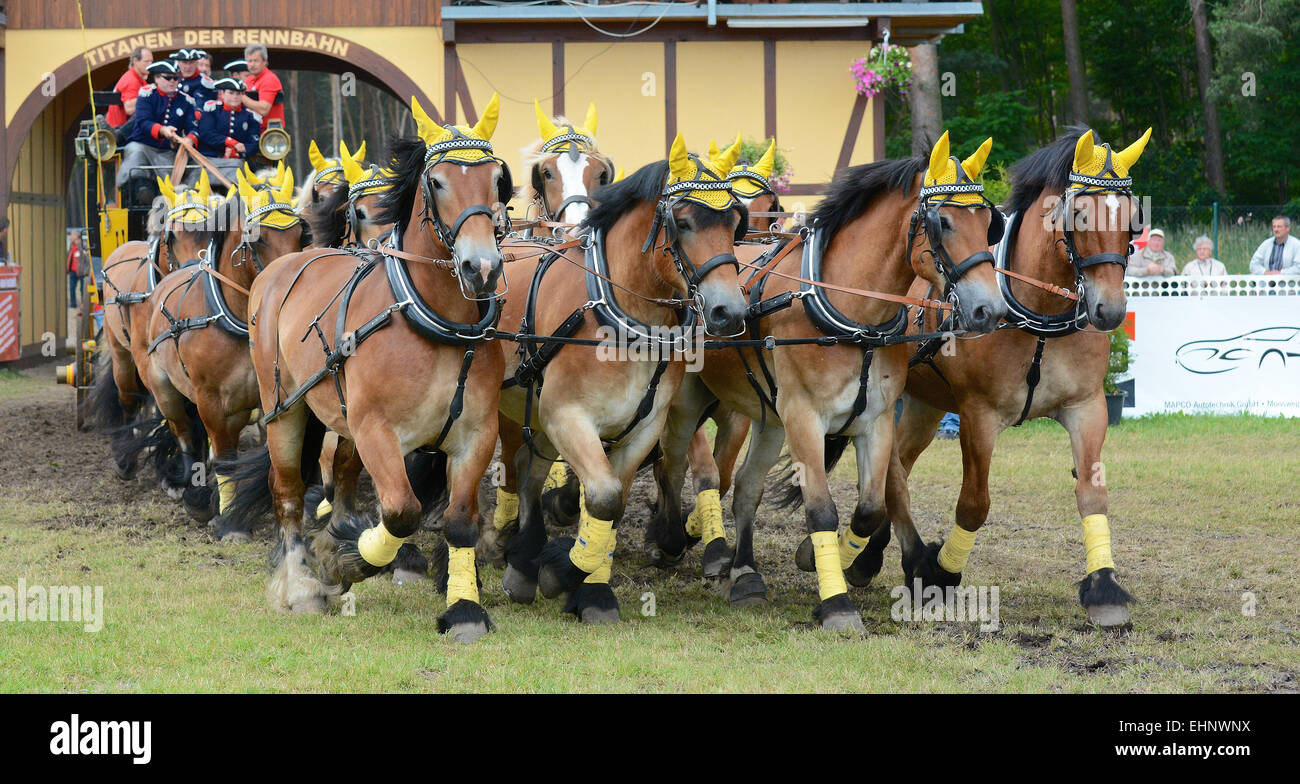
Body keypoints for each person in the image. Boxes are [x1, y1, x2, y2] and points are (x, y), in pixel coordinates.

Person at [116, 60, 198, 191]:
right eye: (168, 77)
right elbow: (143, 121)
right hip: (143, 144)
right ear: (157, 79)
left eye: (176, 78)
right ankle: (140, 191)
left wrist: (189, 139)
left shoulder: (186, 101)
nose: (173, 81)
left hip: (168, 151)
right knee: (135, 152)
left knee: (189, 167)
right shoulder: (147, 95)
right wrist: (162, 130)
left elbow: (193, 128)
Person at [197, 78, 261, 180]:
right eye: (231, 93)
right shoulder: (212, 111)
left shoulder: (251, 116)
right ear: (222, 94)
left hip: (240, 162)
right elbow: (206, 134)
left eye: (238, 94)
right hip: (211, 159)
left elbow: (255, 142)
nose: (235, 97)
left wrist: (237, 152)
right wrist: (232, 143)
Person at [105, 46, 152, 129]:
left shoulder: (138, 79)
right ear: (135, 61)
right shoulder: (131, 80)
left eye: (151, 61)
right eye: (146, 61)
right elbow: (129, 109)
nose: (150, 64)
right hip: (119, 132)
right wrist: (150, 92)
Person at [241, 44, 284, 132]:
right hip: (253, 131)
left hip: (270, 134)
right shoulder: (248, 80)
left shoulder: (269, 79)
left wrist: (241, 97)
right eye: (250, 61)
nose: (252, 64)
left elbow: (264, 109)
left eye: (256, 61)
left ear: (264, 62)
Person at [172, 48, 215, 119]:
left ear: (196, 63)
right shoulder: (172, 78)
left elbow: (199, 107)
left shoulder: (204, 82)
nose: (188, 67)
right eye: (184, 62)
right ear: (178, 63)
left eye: (191, 62)